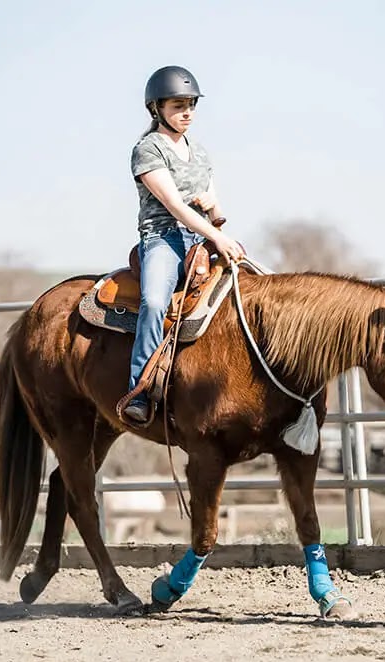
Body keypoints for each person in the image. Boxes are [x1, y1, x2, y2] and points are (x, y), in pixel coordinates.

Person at [123, 65, 245, 423]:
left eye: (191, 104)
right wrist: (218, 237)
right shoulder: (148, 150)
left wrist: (218, 218)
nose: (187, 112)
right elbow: (174, 205)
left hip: (201, 236)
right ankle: (140, 389)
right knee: (155, 300)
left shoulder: (200, 151)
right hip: (163, 238)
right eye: (178, 105)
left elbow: (211, 198)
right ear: (156, 108)